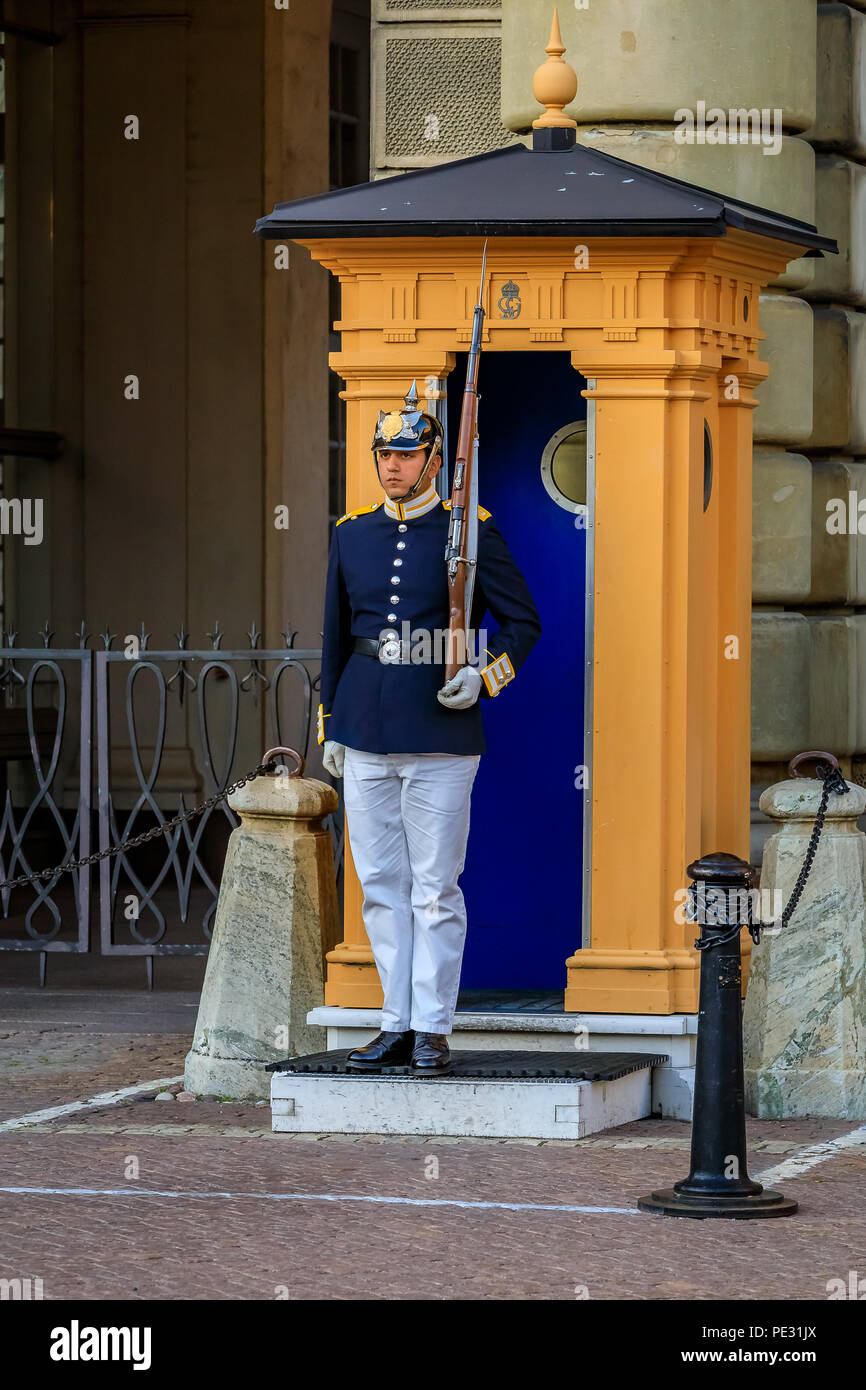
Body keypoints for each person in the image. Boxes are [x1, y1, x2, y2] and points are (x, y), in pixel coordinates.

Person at [318, 379, 541, 1073]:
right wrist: (331, 724)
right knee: (380, 882)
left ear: (434, 459)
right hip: (363, 730)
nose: (394, 465)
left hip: (441, 738)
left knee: (435, 888)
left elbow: (524, 624)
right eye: (386, 452)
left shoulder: (469, 527)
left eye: (408, 454)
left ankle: (433, 1027)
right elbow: (333, 638)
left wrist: (484, 675)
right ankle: (395, 1023)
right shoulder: (351, 535)